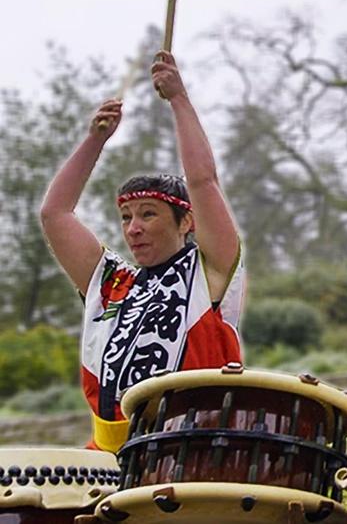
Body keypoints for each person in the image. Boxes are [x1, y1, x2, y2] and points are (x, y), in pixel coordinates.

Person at [40, 51, 245, 452]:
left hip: (189, 452)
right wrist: (95, 140)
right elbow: (56, 214)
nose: (133, 228)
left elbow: (203, 181)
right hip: (107, 457)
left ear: (187, 222)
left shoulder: (207, 274)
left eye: (148, 214)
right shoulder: (112, 283)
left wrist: (179, 99)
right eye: (126, 216)